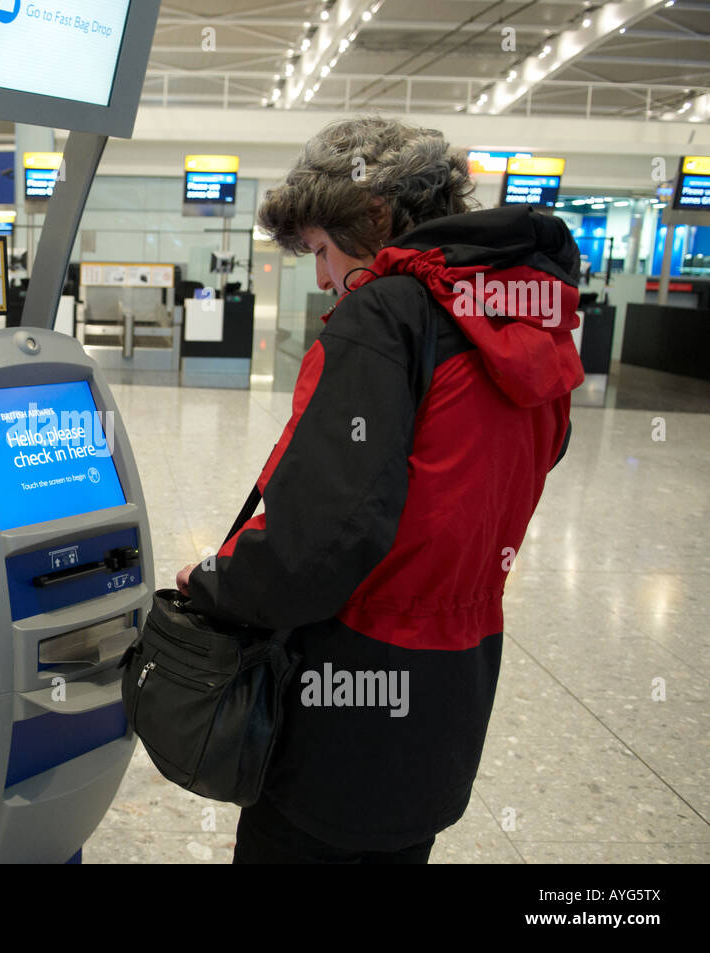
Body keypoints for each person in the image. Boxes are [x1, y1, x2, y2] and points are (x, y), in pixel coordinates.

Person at [176, 117, 584, 863]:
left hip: (346, 702)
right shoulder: (529, 317)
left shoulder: (387, 315)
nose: (325, 277)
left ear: (375, 217)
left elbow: (316, 546)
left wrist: (213, 582)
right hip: (454, 686)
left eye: (324, 251)